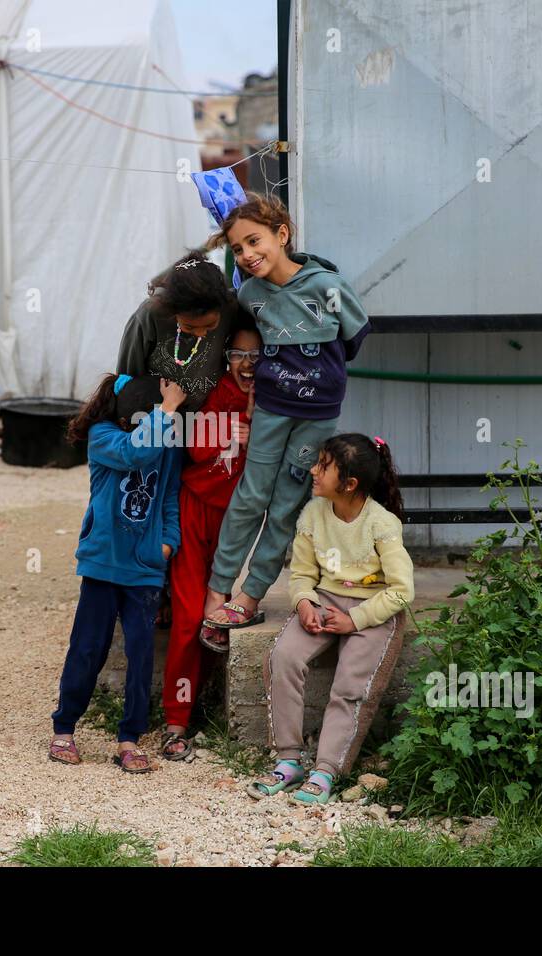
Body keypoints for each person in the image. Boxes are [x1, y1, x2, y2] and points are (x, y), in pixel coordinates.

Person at [200, 194, 371, 647]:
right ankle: (218, 589)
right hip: (272, 409)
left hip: (316, 416)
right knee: (251, 494)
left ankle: (252, 595)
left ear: (282, 234)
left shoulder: (326, 284)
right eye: (237, 249)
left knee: (286, 503)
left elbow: (355, 335)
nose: (247, 254)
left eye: (254, 241)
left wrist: (319, 376)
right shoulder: (251, 295)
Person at [247, 434, 414, 804]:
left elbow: (401, 590)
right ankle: (288, 759)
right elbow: (303, 574)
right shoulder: (313, 515)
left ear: (349, 484)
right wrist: (304, 602)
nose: (313, 470)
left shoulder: (381, 524)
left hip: (373, 610)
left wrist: (354, 620)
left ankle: (326, 769)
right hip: (324, 600)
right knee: (283, 656)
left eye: (323, 465)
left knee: (351, 685)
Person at [49, 374, 184, 773]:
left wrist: (166, 544)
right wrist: (169, 409)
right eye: (139, 413)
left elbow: (170, 496)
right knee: (88, 646)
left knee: (141, 654)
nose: (143, 420)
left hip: (144, 568)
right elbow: (133, 455)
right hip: (104, 562)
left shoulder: (166, 443)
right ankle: (64, 728)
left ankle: (129, 737)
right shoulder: (104, 436)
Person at [159, 313, 261, 760]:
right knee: (188, 618)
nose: (247, 364)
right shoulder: (215, 390)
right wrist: (228, 429)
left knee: (216, 616)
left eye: (257, 355)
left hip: (239, 524)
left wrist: (256, 425)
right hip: (195, 512)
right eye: (238, 354)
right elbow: (194, 450)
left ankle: (209, 707)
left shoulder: (275, 401)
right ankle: (176, 721)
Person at [117, 250, 238, 415]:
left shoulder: (231, 309)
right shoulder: (149, 315)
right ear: (172, 312)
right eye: (189, 327)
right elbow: (126, 378)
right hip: (155, 419)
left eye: (210, 325)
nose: (201, 333)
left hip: (207, 417)